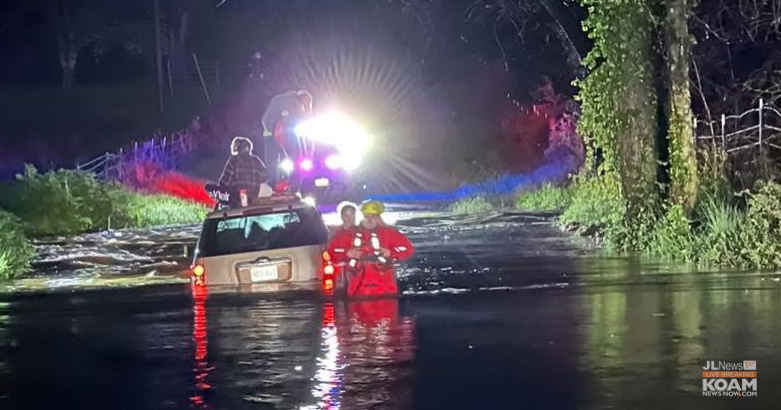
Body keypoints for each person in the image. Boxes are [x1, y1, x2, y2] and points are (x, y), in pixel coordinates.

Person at [327, 201, 414, 297]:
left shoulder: (389, 233)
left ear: (379, 217)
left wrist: (391, 253)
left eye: (373, 216)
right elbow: (331, 253)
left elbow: (408, 250)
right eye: (366, 216)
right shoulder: (347, 234)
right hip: (357, 289)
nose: (369, 219)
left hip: (385, 289)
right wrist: (347, 254)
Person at [219, 136, 267, 207]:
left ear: (237, 148)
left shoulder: (234, 160)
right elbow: (265, 178)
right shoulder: (257, 160)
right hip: (255, 199)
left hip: (238, 200)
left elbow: (224, 182)